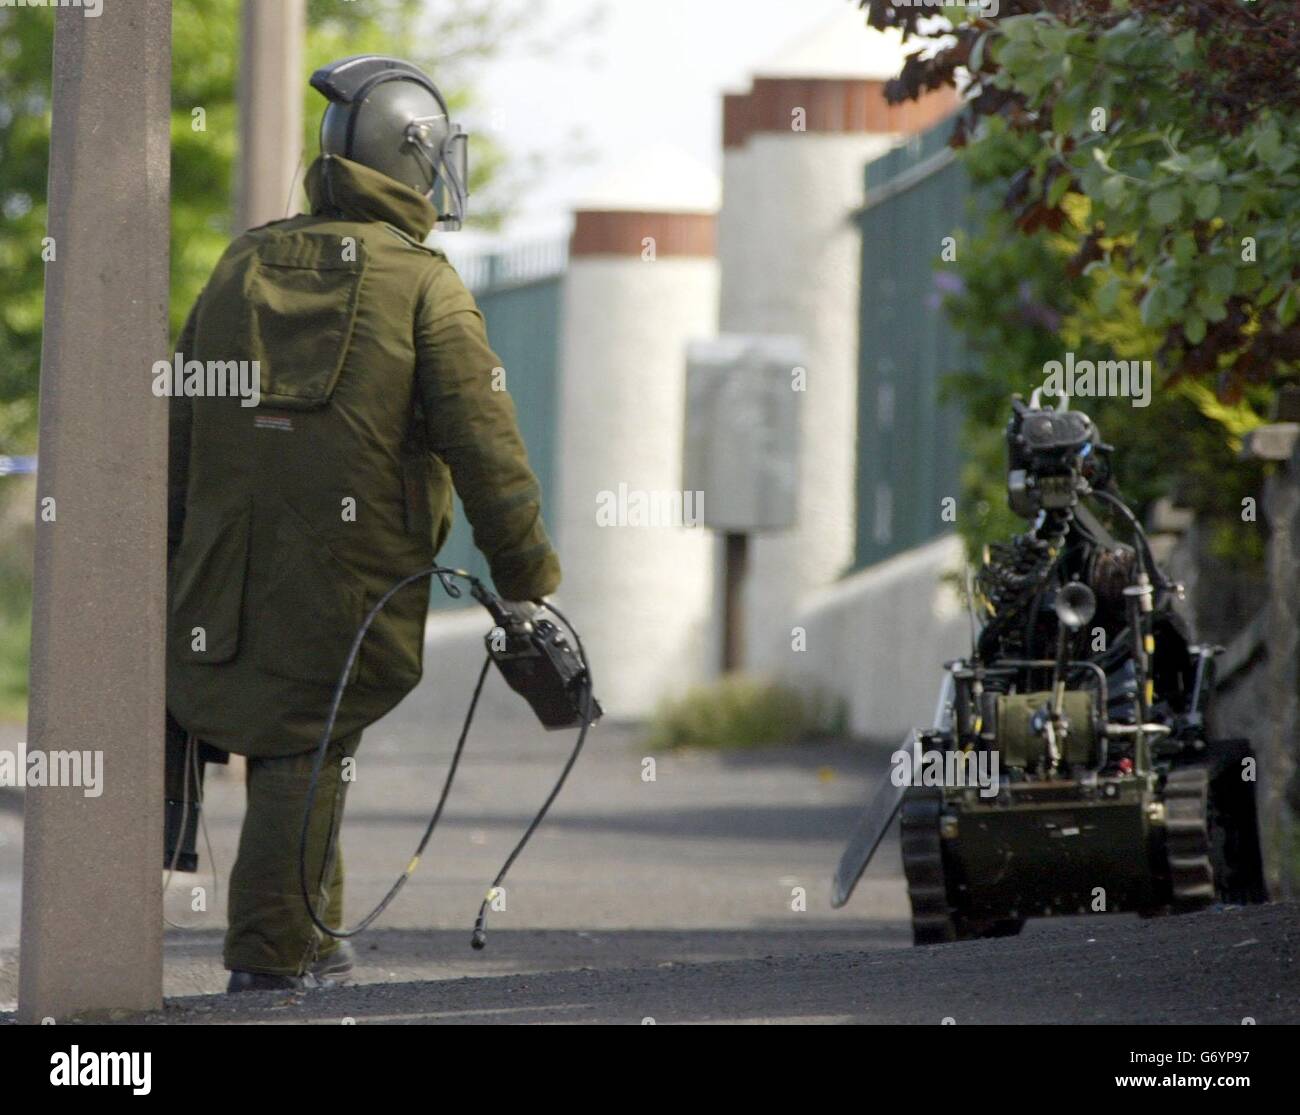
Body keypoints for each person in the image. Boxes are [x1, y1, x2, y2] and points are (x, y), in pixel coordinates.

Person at [166, 55, 560, 991]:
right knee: (307, 748)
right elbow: (486, 446)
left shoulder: (241, 262)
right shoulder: (425, 285)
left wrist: (170, 561)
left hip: (218, 571)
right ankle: (267, 968)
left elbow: (180, 425)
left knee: (305, 744)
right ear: (411, 156)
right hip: (352, 574)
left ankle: (318, 936)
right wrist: (526, 575)